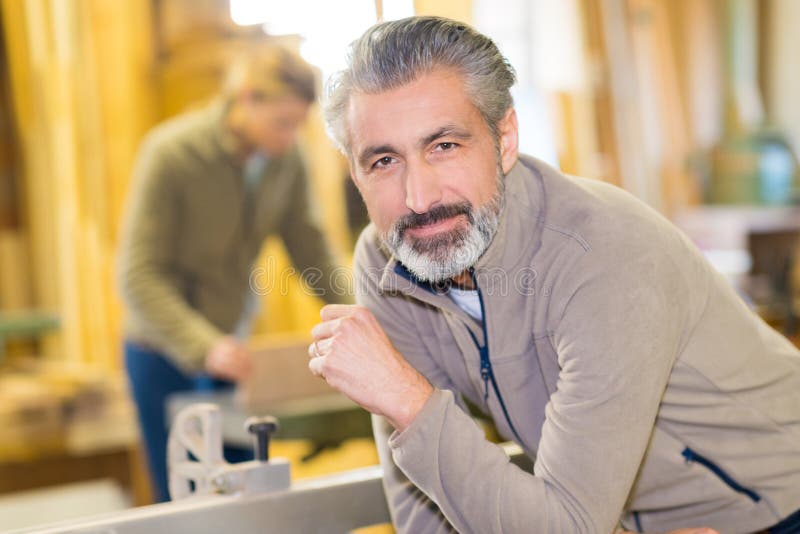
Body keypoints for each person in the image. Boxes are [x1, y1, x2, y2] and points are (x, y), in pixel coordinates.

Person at [308, 16, 800, 533]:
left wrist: (408, 401)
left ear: (505, 140)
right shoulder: (390, 258)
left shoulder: (604, 258)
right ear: (355, 175)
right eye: (384, 161)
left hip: (775, 506)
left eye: (444, 146)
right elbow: (422, 510)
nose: (418, 198)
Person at [118, 44, 347, 502]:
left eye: (298, 124)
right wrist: (204, 345)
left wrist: (362, 314)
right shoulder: (172, 155)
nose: (289, 136)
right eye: (281, 123)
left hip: (231, 352)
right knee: (187, 503)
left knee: (247, 495)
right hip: (164, 351)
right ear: (246, 98)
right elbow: (138, 274)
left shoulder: (285, 160)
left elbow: (312, 251)